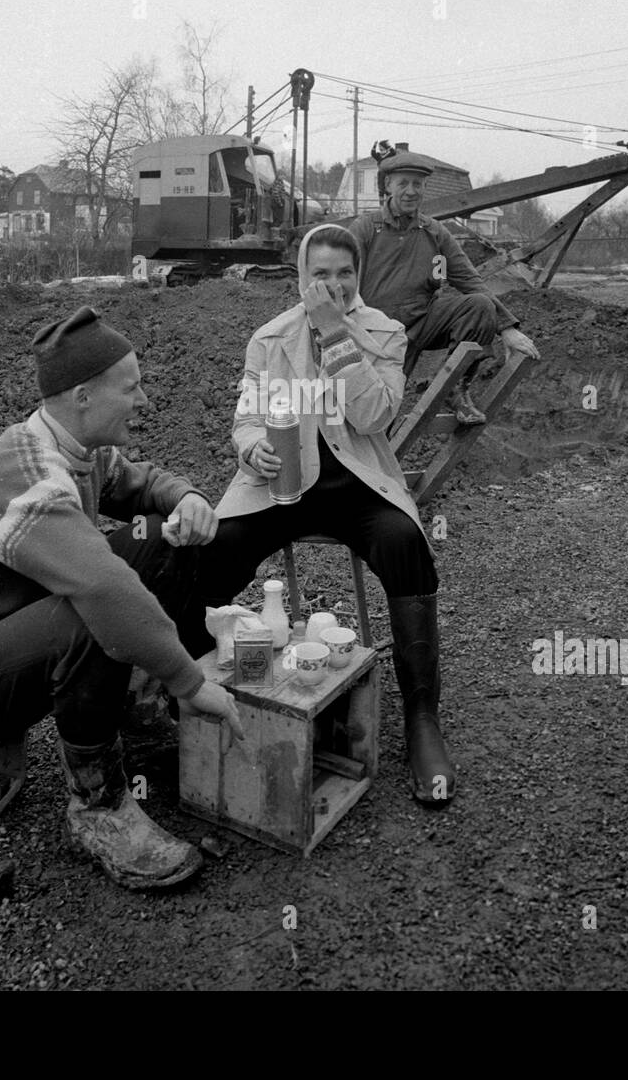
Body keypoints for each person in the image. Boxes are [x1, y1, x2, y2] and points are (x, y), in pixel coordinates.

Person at [0, 306, 242, 891]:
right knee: (94, 608)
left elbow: (139, 482)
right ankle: (98, 806)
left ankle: (132, 710)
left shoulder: (79, 447)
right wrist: (189, 680)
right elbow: (105, 588)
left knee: (163, 536)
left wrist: (186, 498)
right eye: (130, 388)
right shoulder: (32, 482)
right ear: (83, 395)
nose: (144, 401)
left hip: (4, 639)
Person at [195, 223, 456, 805]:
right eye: (321, 274)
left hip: (357, 482)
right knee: (219, 545)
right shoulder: (270, 338)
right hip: (284, 484)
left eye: (345, 273)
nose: (333, 285)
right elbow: (246, 415)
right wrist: (250, 446)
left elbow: (373, 418)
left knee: (404, 542)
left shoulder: (383, 332)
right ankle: (188, 686)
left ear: (357, 277)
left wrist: (338, 333)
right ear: (301, 277)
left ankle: (422, 719)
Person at [348, 144, 539, 425]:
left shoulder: (434, 232)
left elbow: (470, 281)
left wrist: (507, 328)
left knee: (479, 306)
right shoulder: (365, 229)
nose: (411, 191)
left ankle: (455, 389)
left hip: (421, 324)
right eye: (403, 183)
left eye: (418, 184)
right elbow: (344, 286)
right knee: (377, 415)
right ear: (388, 185)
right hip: (375, 333)